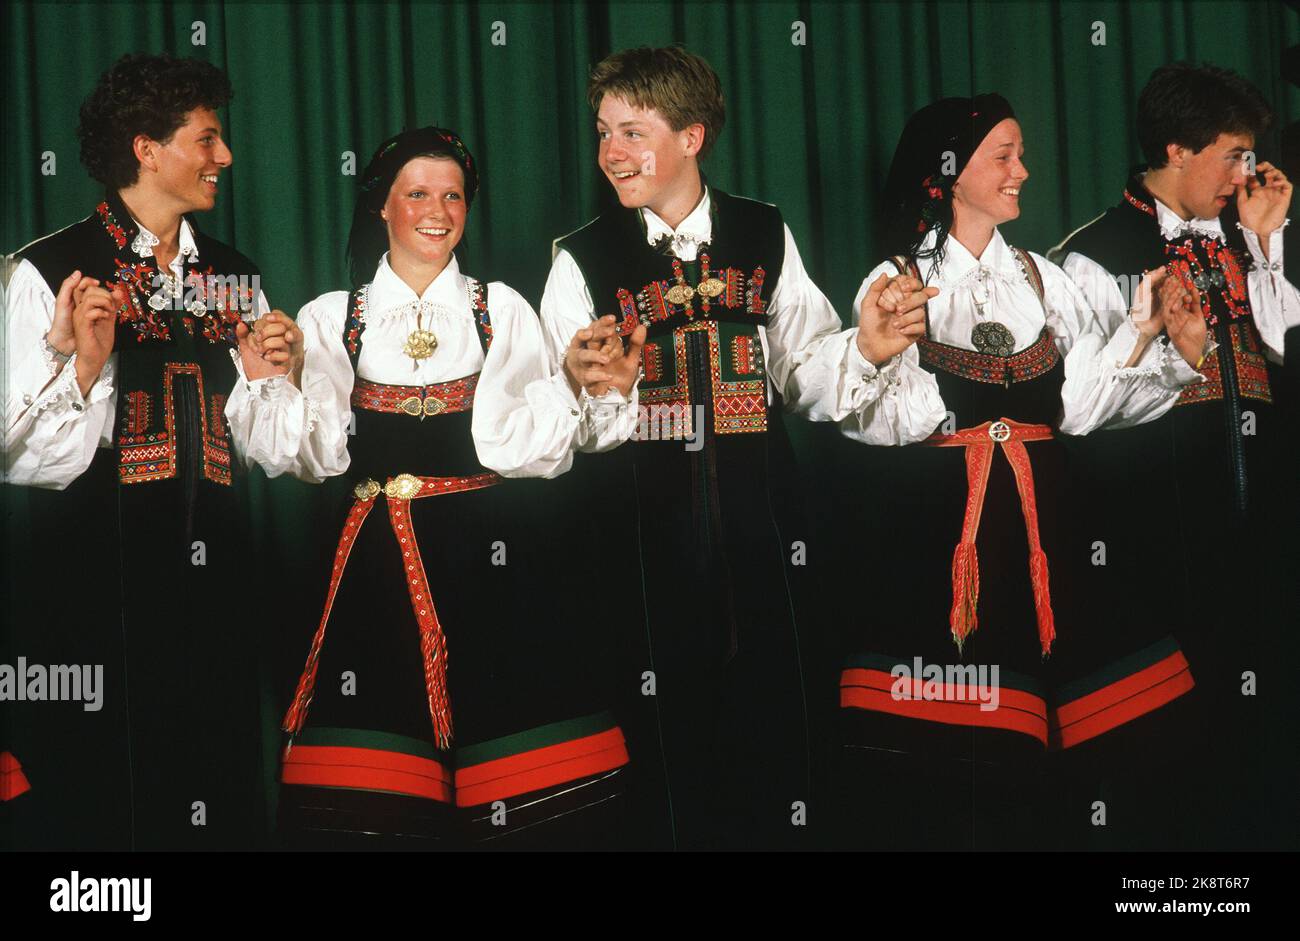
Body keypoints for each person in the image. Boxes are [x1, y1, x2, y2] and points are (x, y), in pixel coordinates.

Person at [540, 45, 925, 850]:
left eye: (634, 132)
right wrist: (591, 386)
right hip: (640, 540)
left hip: (768, 532)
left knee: (780, 722)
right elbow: (558, 426)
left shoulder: (765, 231)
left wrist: (872, 347)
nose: (611, 152)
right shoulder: (578, 259)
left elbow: (811, 374)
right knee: (662, 738)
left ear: (693, 136)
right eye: (604, 131)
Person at [227, 127, 632, 849]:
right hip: (372, 565)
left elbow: (523, 448)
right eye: (417, 193)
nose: (437, 210)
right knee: (379, 779)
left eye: (452, 195)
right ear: (383, 206)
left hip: (495, 559)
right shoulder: (331, 316)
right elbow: (308, 455)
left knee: (516, 759)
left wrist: (574, 383)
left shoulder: (500, 308)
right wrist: (268, 380)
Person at [827, 94, 1206, 850]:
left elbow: (1083, 405)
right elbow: (870, 418)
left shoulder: (1041, 278)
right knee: (959, 760)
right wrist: (872, 348)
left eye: (1020, 152)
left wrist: (1159, 340)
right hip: (945, 535)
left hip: (1054, 531)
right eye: (1003, 155)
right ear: (950, 174)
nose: (1022, 170)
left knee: (1095, 740)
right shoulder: (898, 281)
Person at [1, 52, 271, 850]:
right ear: (147, 149)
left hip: (216, 575)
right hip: (88, 586)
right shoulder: (52, 268)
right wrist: (82, 367)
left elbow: (264, 446)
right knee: (101, 791)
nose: (224, 157)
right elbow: (17, 454)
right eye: (207, 138)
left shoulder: (233, 275)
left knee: (212, 770)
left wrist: (271, 382)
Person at [1050, 62, 1299, 848]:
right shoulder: (1090, 257)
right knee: (1169, 761)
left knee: (1268, 743)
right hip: (1151, 550)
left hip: (1264, 539)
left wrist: (1267, 246)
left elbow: (1287, 345)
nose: (1246, 175)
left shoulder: (1254, 240)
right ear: (1177, 150)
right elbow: (1080, 416)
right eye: (1232, 154)